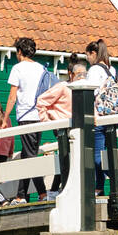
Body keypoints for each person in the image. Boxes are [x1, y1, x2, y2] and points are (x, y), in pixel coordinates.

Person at [4, 37, 51, 203]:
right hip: (39, 116)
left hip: (25, 117)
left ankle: (43, 193)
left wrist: (5, 118)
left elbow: (12, 96)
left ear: (19, 51)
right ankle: (20, 195)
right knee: (27, 154)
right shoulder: (41, 69)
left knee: (30, 156)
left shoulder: (18, 69)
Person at [38, 60, 87, 196]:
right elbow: (42, 100)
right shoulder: (63, 87)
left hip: (76, 127)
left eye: (84, 74)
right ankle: (56, 190)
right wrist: (46, 120)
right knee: (66, 157)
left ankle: (59, 189)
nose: (82, 76)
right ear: (71, 75)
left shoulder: (83, 88)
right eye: (79, 74)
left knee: (71, 158)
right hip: (62, 126)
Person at [84, 40, 118, 194]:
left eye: (87, 55)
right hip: (113, 117)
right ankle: (105, 187)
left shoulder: (94, 70)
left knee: (97, 155)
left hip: (99, 116)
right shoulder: (114, 70)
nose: (87, 59)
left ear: (93, 53)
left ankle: (110, 184)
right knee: (108, 153)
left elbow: (90, 93)